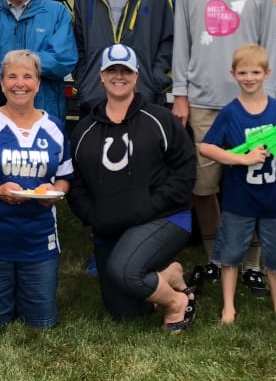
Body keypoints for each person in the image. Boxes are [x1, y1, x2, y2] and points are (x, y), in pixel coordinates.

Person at [172, 0, 276, 288]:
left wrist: (271, 100)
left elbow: (269, 44)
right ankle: (217, 255)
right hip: (203, 100)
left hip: (250, 103)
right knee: (204, 186)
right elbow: (181, 41)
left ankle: (250, 263)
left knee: (250, 184)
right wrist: (180, 95)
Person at [68, 45, 198, 329]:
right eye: (112, 70)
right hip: (110, 224)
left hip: (163, 217)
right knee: (126, 312)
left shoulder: (160, 119)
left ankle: (177, 303)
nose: (119, 76)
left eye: (125, 70)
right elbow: (76, 184)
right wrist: (94, 216)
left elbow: (185, 171)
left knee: (125, 272)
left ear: (136, 76)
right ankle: (169, 274)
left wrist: (150, 205)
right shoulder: (84, 130)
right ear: (101, 76)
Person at [0, 50, 74, 330]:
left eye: (28, 76)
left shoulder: (54, 127)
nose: (20, 83)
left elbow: (66, 177)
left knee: (41, 323)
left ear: (38, 83)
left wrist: (53, 191)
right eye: (12, 76)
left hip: (39, 240)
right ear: (2, 82)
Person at [197, 44, 276, 320]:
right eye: (243, 72)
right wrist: (242, 159)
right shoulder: (230, 113)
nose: (249, 77)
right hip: (238, 199)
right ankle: (228, 307)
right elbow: (207, 148)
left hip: (272, 199)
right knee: (231, 254)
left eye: (255, 72)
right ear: (233, 74)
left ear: (268, 73)